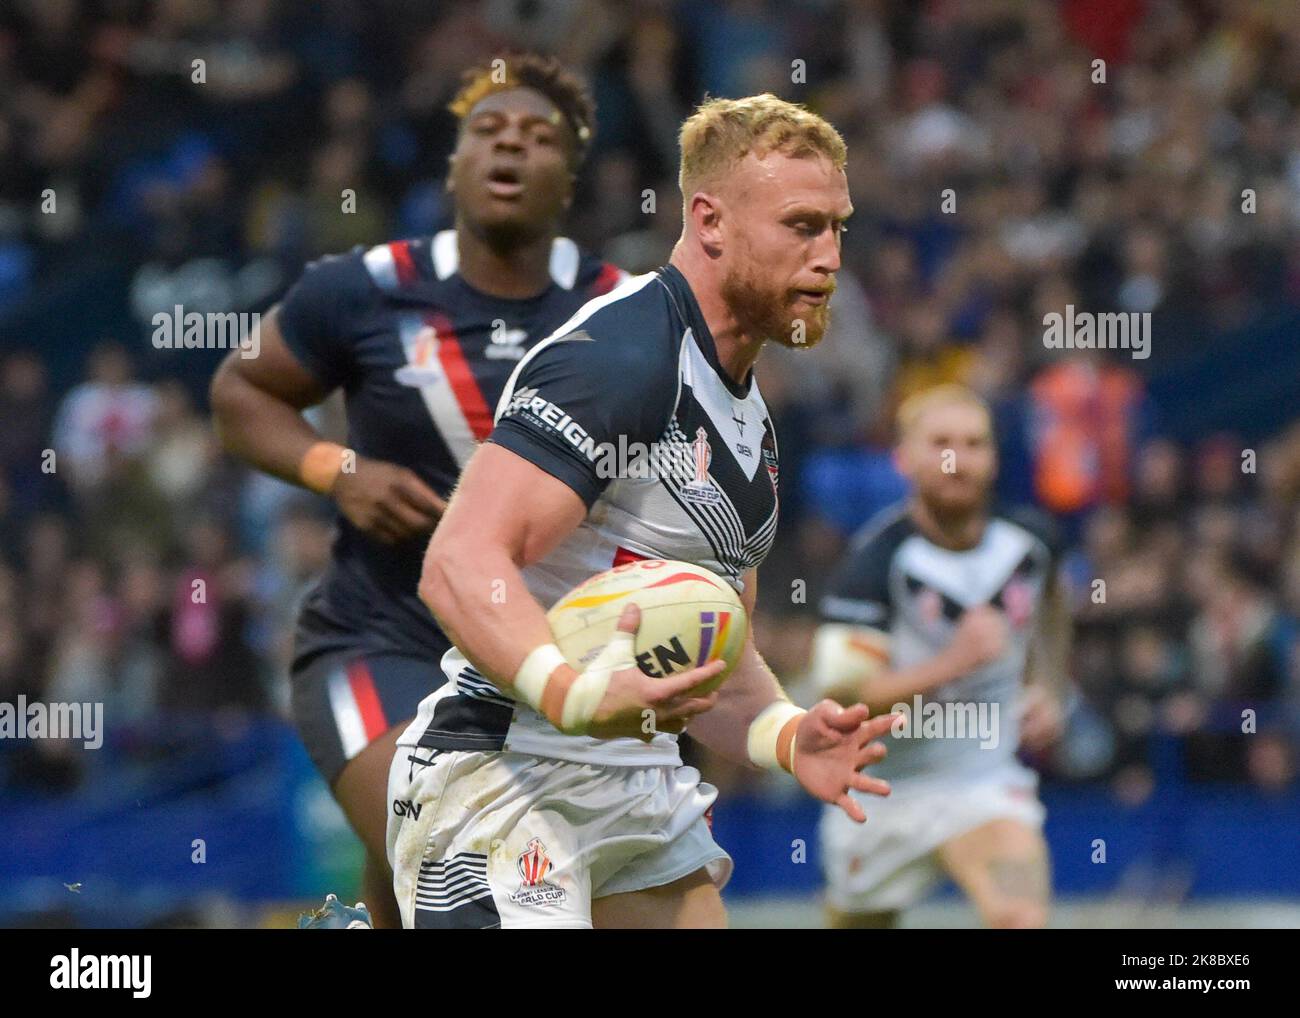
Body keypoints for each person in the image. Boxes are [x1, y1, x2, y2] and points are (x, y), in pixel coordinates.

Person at [387, 93, 898, 930]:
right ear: (710, 222)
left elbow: (709, 644)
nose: (830, 257)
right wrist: (572, 695)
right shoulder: (622, 358)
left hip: (639, 782)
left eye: (838, 228)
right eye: (802, 227)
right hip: (505, 778)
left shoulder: (753, 421)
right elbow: (458, 562)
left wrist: (783, 734)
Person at [210, 54, 623, 928]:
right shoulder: (364, 287)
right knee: (475, 890)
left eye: (538, 136)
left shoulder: (625, 314)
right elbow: (240, 392)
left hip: (548, 668)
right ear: (454, 164)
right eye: (488, 130)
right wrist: (337, 469)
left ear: (570, 176)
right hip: (381, 643)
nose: (509, 145)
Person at [809, 384, 1069, 928]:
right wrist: (954, 662)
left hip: (984, 781)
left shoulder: (1032, 541)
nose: (958, 460)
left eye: (974, 444)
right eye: (941, 443)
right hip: (881, 791)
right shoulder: (870, 564)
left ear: (995, 458)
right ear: (903, 458)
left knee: (1020, 917)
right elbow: (844, 700)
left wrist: (1048, 686)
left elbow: (1052, 605)